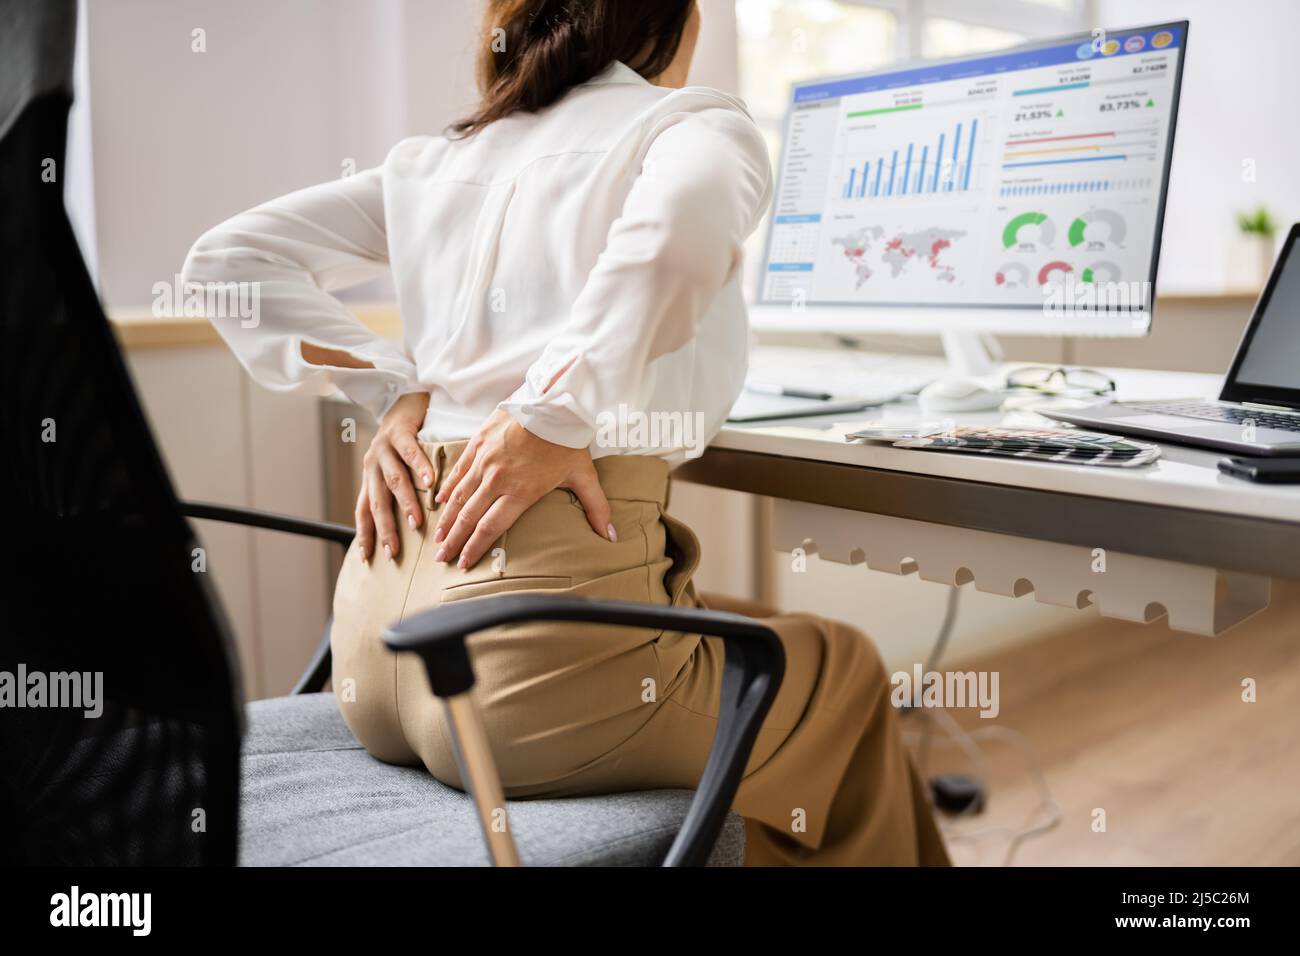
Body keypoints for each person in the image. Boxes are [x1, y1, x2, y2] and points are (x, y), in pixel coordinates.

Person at [184, 0, 949, 866]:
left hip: (375, 662)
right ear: (673, 24)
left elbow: (225, 261)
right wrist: (556, 410)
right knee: (838, 666)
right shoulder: (688, 128)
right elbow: (686, 220)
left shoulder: (438, 158)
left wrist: (398, 387)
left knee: (739, 645)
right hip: (533, 690)